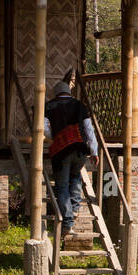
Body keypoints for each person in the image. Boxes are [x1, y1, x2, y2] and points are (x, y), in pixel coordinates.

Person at [44, 79, 99, 236]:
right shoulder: (80, 106)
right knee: (75, 178)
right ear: (68, 93)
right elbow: (89, 130)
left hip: (61, 152)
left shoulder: (48, 106)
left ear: (56, 93)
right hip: (80, 150)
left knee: (62, 186)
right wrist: (94, 152)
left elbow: (44, 129)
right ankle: (74, 208)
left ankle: (68, 222)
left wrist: (54, 136)